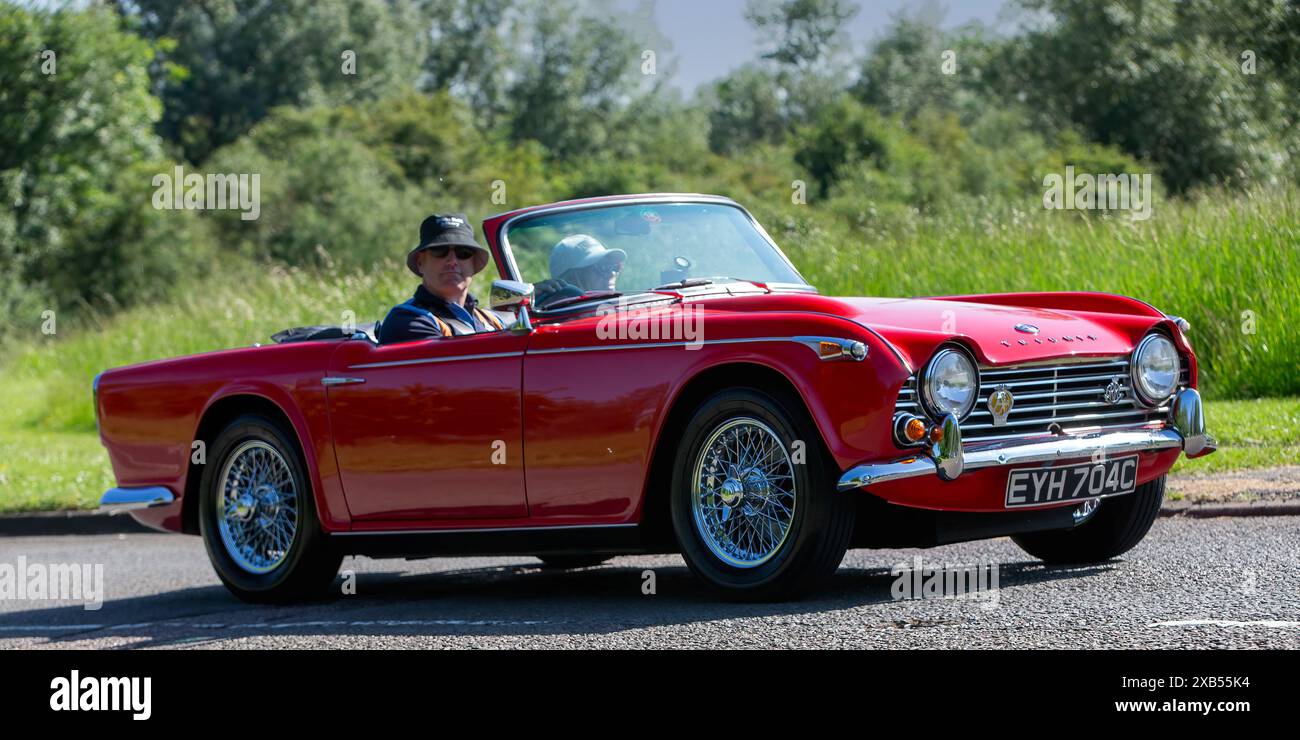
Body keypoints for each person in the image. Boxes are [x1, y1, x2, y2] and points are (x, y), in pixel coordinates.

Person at [377, 213, 506, 343]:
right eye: (440, 251)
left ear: (473, 264)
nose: (452, 261)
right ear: (420, 262)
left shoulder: (492, 321)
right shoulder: (406, 321)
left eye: (463, 253)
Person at [534, 234, 626, 308]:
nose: (612, 273)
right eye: (603, 267)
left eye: (615, 266)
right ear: (572, 275)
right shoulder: (549, 311)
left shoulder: (626, 305)